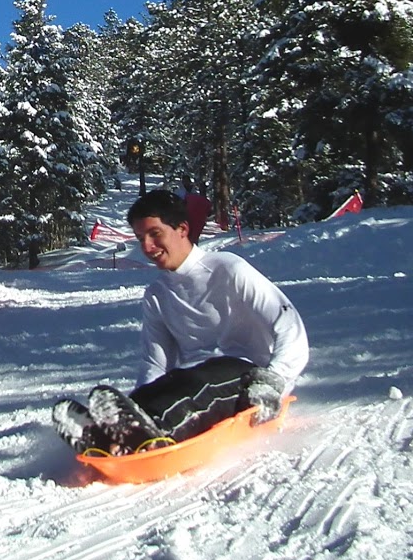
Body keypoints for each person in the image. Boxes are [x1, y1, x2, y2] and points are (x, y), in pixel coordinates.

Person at [52, 188, 308, 456]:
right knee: (174, 382)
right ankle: (113, 434)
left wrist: (274, 380)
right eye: (141, 239)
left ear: (182, 229)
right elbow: (156, 363)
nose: (147, 247)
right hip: (193, 381)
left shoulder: (228, 269)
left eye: (155, 234)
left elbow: (288, 324)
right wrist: (138, 400)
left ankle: (151, 434)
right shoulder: (157, 295)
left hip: (249, 380)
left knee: (205, 379)